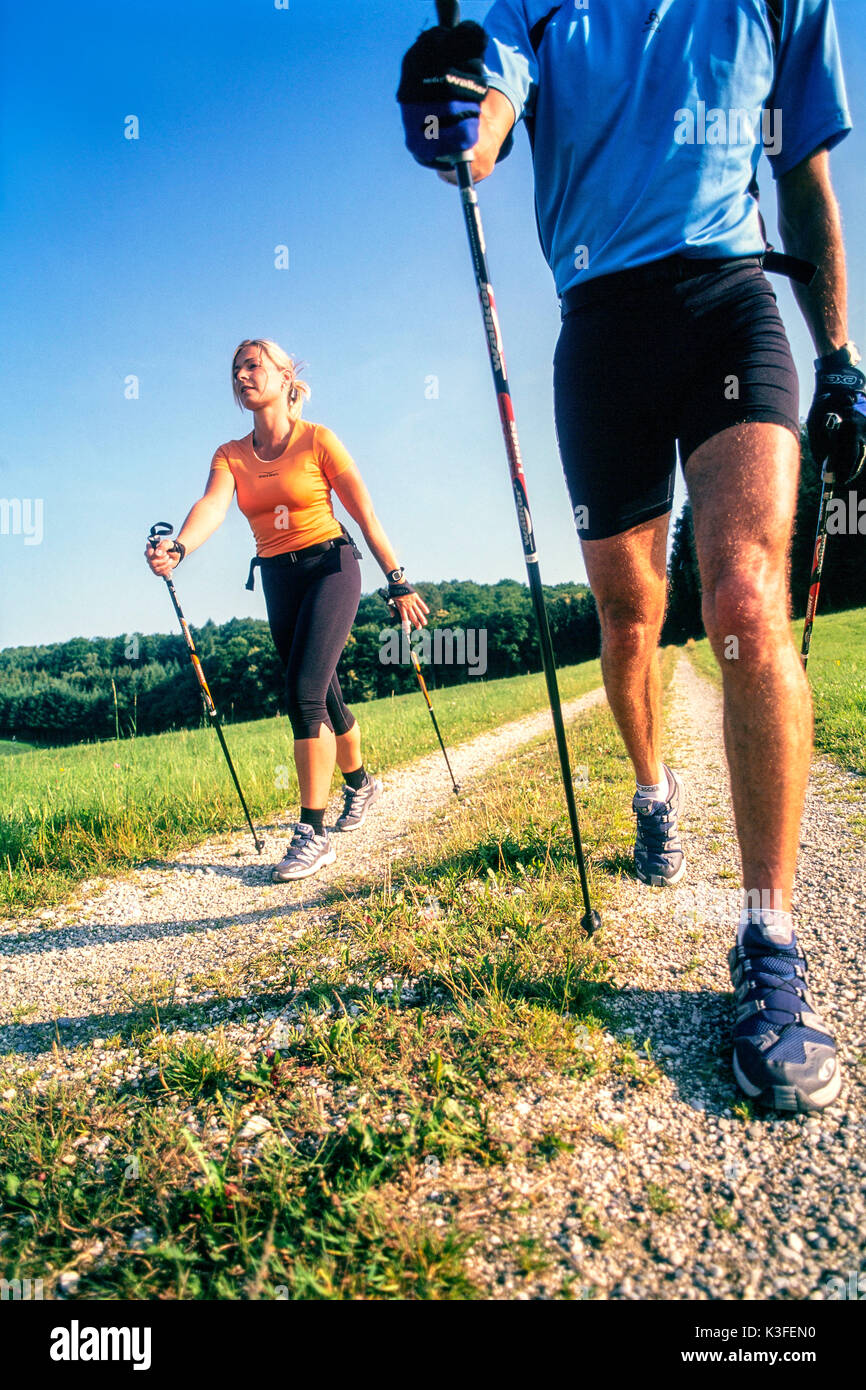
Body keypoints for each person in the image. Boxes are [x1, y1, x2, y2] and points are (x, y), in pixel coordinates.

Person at [398, 1, 865, 1112]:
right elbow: (488, 119)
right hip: (598, 325)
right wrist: (454, 120)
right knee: (626, 615)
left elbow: (799, 175)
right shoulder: (533, 4)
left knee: (743, 590)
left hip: (728, 297)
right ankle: (653, 793)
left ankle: (767, 945)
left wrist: (836, 352)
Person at [146, 338, 429, 881]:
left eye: (253, 366)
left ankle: (312, 833)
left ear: (283, 374)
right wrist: (179, 546)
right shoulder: (231, 454)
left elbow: (365, 514)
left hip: (331, 566)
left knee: (301, 692)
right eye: (236, 370)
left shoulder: (318, 440)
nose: (242, 376)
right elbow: (212, 505)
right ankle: (362, 784)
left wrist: (397, 580)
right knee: (323, 693)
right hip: (277, 576)